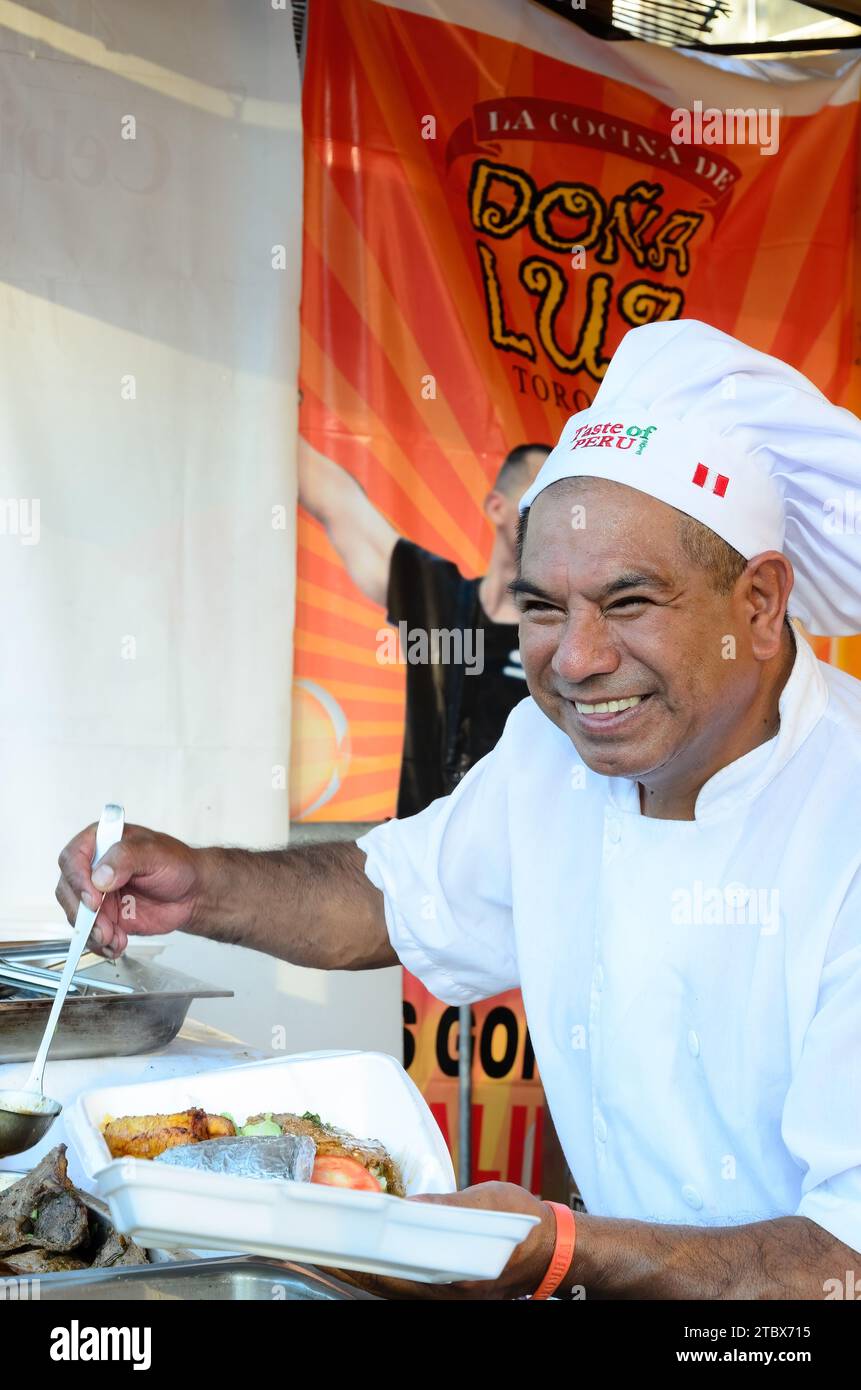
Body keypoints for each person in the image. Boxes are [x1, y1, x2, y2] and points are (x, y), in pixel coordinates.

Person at [57, 320, 861, 1299]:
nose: (574, 660)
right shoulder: (551, 752)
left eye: (630, 600)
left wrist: (562, 1251)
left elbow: (842, 1262)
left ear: (761, 603)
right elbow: (390, 897)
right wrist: (203, 883)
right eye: (543, 607)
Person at [298, 438, 549, 813]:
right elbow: (340, 501)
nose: (553, 511)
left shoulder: (565, 635)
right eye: (538, 493)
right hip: (425, 863)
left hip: (525, 861)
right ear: (497, 507)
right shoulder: (439, 603)